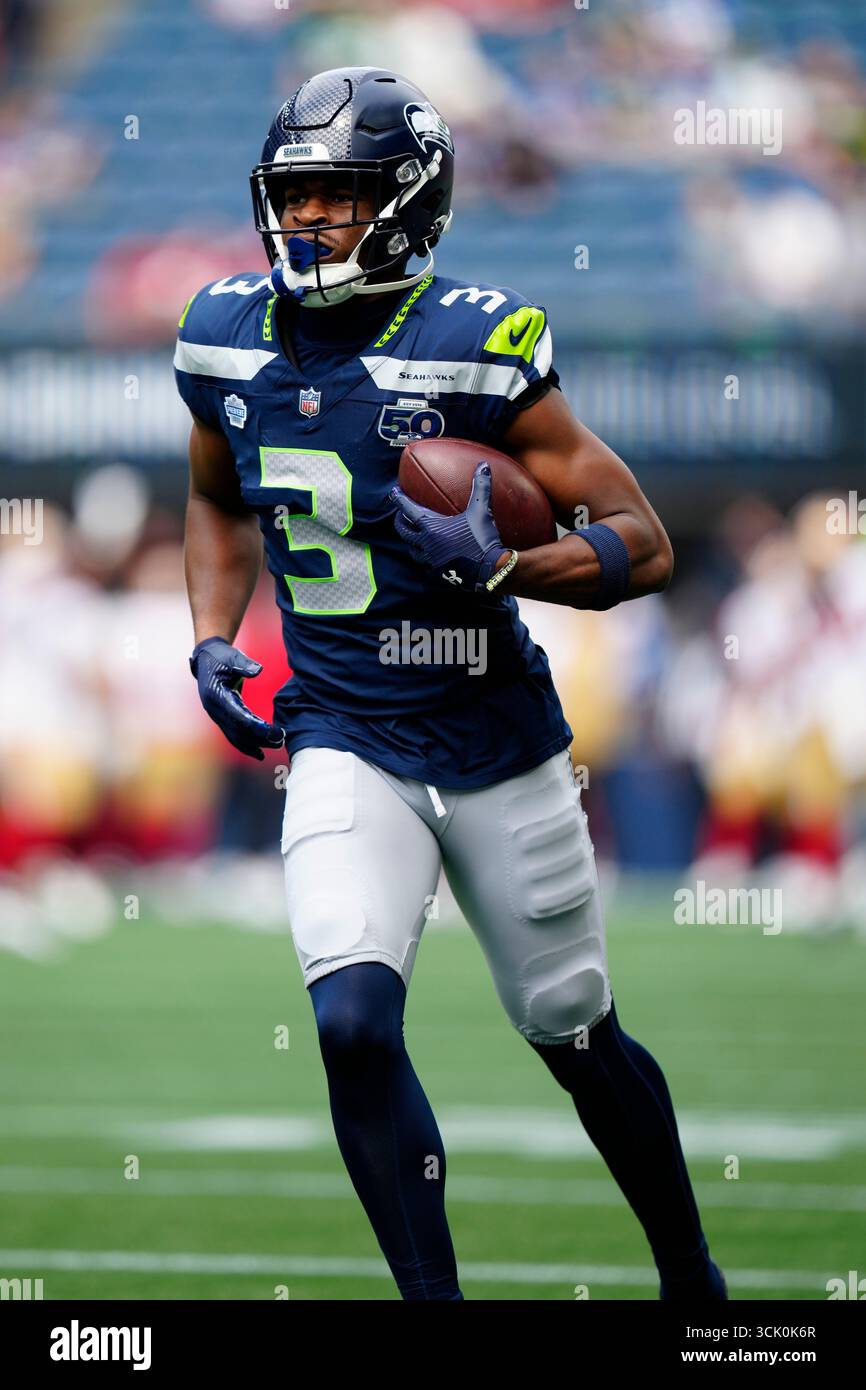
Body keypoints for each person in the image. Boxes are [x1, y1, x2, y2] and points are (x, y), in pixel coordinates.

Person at [175, 65, 726, 1302]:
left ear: (409, 205)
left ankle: (692, 1280)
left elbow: (643, 540)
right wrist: (214, 634)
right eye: (294, 195)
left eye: (337, 197)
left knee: (574, 1035)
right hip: (339, 731)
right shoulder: (220, 334)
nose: (306, 221)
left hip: (496, 743)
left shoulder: (475, 344)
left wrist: (516, 562)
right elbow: (216, 493)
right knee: (352, 1027)